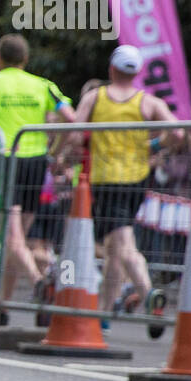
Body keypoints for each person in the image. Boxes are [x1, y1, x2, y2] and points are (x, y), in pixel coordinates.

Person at [0, 33, 75, 323]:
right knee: (17, 239)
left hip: (4, 160)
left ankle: (40, 283)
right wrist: (55, 150)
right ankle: (1, 304)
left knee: (12, 239)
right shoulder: (42, 85)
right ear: (26, 59)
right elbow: (72, 120)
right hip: (36, 163)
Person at [73, 44, 181, 337]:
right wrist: (153, 146)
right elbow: (179, 132)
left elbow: (73, 133)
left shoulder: (95, 97)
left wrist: (71, 151)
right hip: (137, 179)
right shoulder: (147, 102)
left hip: (106, 179)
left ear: (111, 69)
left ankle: (148, 293)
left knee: (124, 244)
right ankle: (104, 313)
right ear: (136, 73)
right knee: (113, 248)